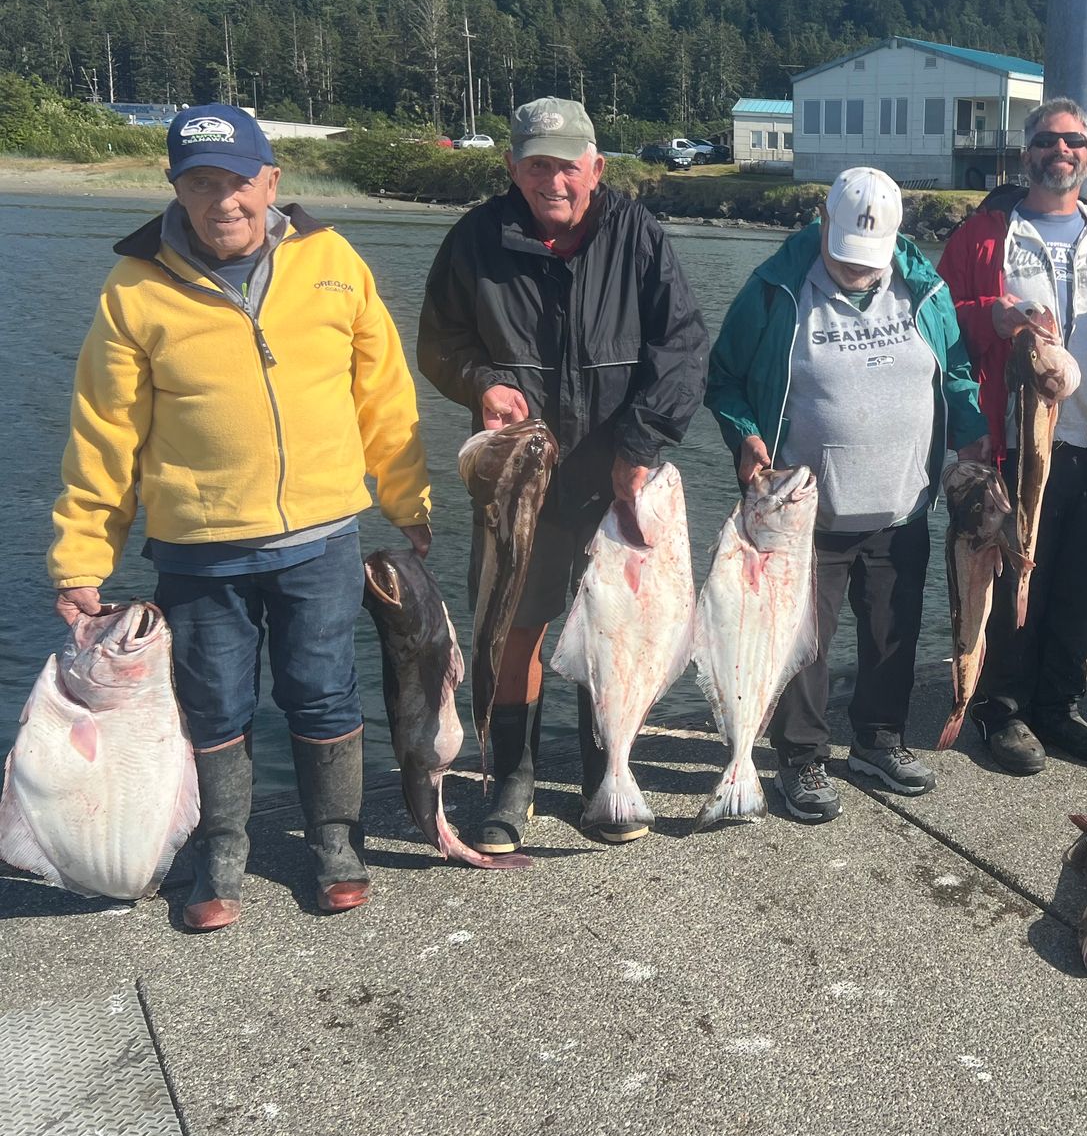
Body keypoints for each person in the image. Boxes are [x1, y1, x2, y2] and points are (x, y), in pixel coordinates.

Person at [49, 103, 432, 931]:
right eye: (200, 182)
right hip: (198, 548)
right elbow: (104, 433)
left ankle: (337, 842)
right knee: (213, 703)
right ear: (176, 189)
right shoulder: (134, 289)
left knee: (323, 692)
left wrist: (408, 500)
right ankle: (220, 853)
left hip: (320, 537)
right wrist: (82, 557)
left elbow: (384, 394)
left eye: (237, 180)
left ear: (272, 181)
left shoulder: (333, 261)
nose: (223, 200)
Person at [418, 98, 707, 851]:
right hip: (521, 483)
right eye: (536, 165)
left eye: (567, 166)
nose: (553, 180)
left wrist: (638, 448)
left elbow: (682, 349)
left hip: (619, 475)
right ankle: (510, 782)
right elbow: (437, 344)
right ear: (512, 167)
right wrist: (480, 380)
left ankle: (603, 774)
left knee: (613, 631)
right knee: (517, 631)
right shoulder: (477, 238)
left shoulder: (637, 233)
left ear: (596, 169)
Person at [706, 167, 989, 821]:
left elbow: (958, 376)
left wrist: (972, 437)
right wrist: (744, 437)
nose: (858, 269)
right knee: (799, 644)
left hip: (902, 505)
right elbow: (724, 381)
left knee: (893, 633)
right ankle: (800, 756)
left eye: (871, 259)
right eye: (845, 255)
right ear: (823, 221)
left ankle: (877, 738)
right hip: (807, 516)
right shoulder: (776, 289)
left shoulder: (926, 289)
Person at [938, 98, 1087, 775]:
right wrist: (993, 316)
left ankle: (1059, 705)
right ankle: (1000, 710)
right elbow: (937, 323)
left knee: (1084, 586)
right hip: (1010, 448)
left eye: (1073, 142)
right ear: (1026, 151)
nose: (1058, 150)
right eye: (1045, 140)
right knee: (1009, 587)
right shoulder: (983, 236)